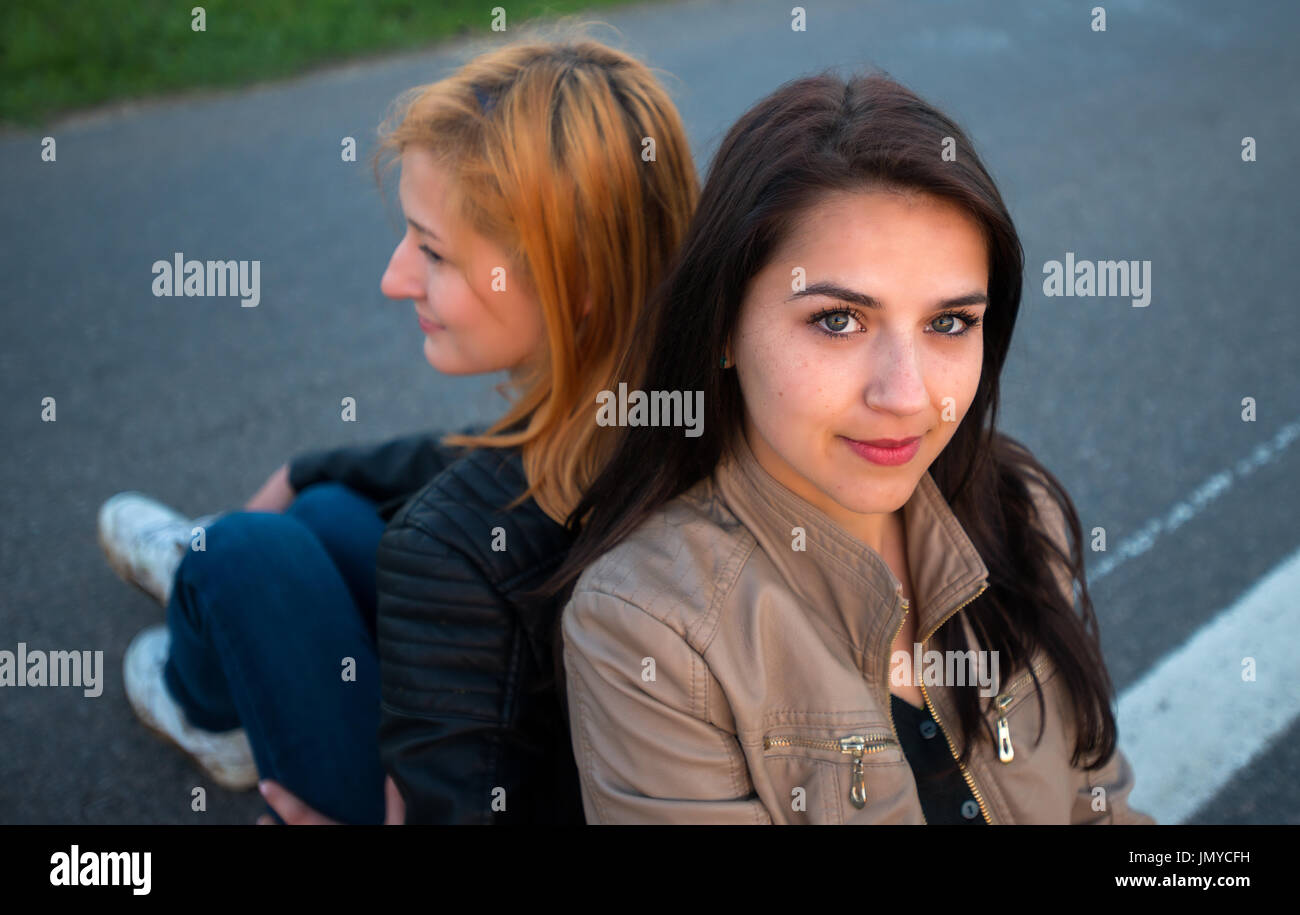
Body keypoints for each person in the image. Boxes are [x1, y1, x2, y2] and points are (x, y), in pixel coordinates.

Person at [97, 28, 698, 824]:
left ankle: (200, 699)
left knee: (241, 553)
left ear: (573, 280)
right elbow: (486, 457)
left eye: (435, 253)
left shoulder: (448, 555)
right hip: (521, 722)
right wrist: (310, 466)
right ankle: (205, 583)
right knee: (324, 511)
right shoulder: (670, 407)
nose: (393, 278)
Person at [548, 71, 1158, 824]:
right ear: (724, 328)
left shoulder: (1018, 507)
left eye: (950, 323)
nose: (905, 394)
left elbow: (1104, 809)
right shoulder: (649, 627)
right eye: (839, 320)